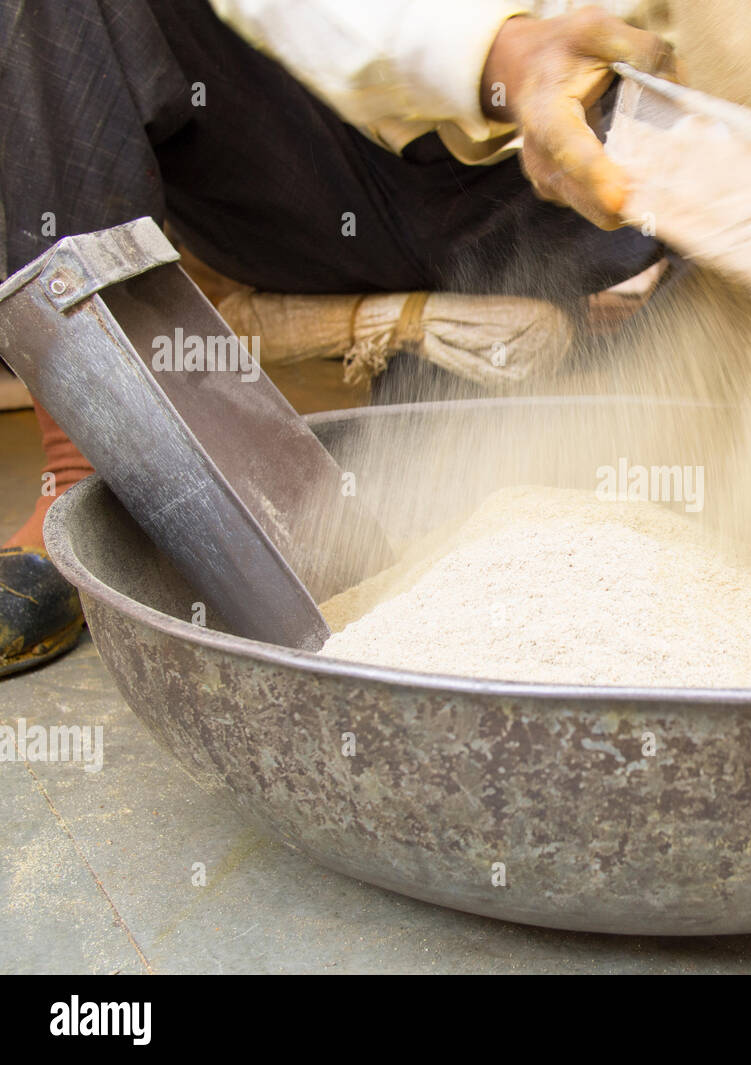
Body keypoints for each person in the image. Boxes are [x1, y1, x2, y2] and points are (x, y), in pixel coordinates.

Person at [0, 0, 675, 675]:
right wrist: (502, 57)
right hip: (318, 159)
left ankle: (706, 440)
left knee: (745, 97)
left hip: (585, 175)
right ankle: (81, 461)